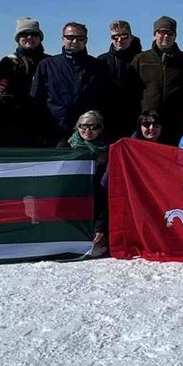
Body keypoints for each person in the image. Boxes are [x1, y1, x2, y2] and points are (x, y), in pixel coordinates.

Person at [30, 22, 110, 144]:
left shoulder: (98, 66)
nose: (74, 41)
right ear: (63, 39)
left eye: (79, 38)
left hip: (88, 134)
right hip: (55, 133)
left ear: (86, 40)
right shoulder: (47, 65)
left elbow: (105, 100)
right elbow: (36, 100)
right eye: (70, 37)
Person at [131, 16, 183, 145]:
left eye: (170, 33)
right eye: (162, 32)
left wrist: (182, 104)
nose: (166, 36)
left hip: (176, 123)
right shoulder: (141, 59)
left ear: (175, 36)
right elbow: (130, 88)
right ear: (155, 35)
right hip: (149, 124)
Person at [58, 110, 110, 258]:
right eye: (83, 126)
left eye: (93, 127)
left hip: (95, 206)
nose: (88, 131)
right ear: (76, 127)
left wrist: (100, 225)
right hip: (69, 206)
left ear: (100, 129)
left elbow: (103, 192)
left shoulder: (107, 152)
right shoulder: (65, 148)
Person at [0, 17, 51, 146]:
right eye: (25, 34)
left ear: (40, 38)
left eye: (34, 34)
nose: (30, 37)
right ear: (18, 38)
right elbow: (2, 94)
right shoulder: (9, 62)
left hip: (46, 126)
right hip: (15, 126)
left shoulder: (50, 62)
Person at [97, 20, 143, 142]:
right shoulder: (102, 60)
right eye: (115, 37)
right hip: (109, 117)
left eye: (124, 36)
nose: (119, 40)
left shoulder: (142, 59)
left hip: (135, 116)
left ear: (131, 37)